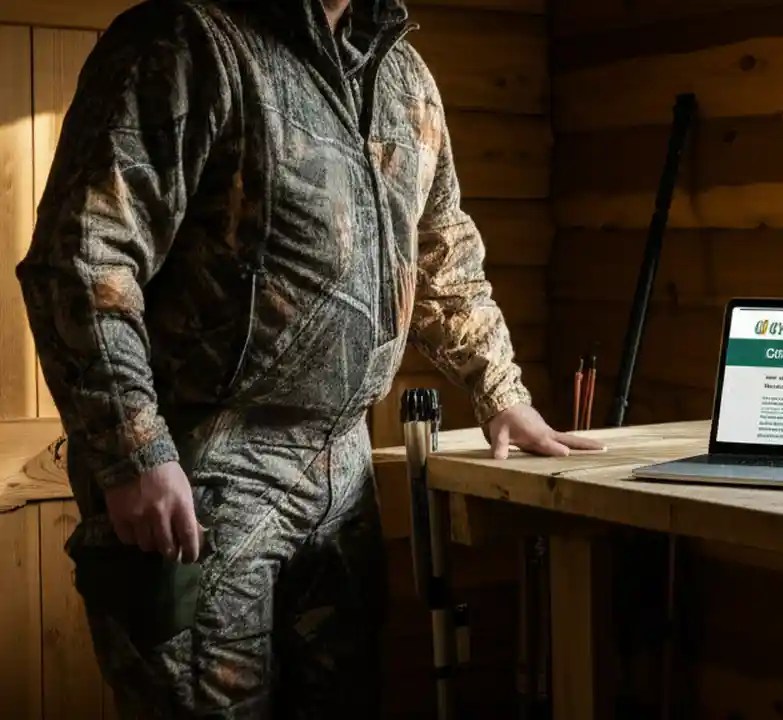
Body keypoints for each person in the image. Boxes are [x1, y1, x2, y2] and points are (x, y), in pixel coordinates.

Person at [15, 0, 602, 716]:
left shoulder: (403, 77)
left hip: (344, 469)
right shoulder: (185, 42)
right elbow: (81, 257)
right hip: (204, 476)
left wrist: (502, 392)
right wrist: (133, 452)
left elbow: (442, 251)